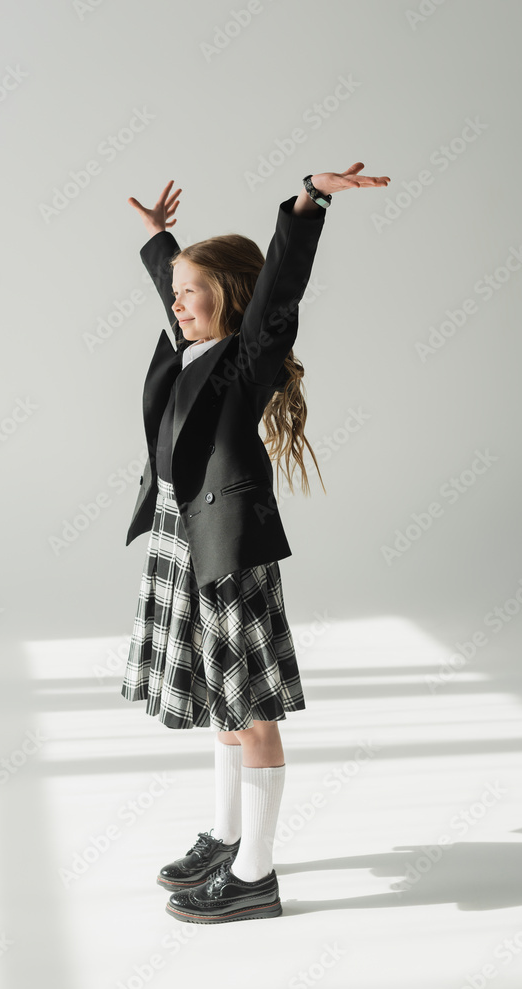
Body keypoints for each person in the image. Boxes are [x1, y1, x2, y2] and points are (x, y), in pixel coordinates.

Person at [121, 165, 390, 924]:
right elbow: (172, 292)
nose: (176, 303)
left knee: (249, 710)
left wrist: (307, 202)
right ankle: (228, 835)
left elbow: (280, 289)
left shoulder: (245, 362)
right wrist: (160, 244)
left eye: (189, 291)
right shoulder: (190, 346)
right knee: (219, 702)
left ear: (230, 300)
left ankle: (254, 877)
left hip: (227, 548)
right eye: (174, 292)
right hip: (182, 537)